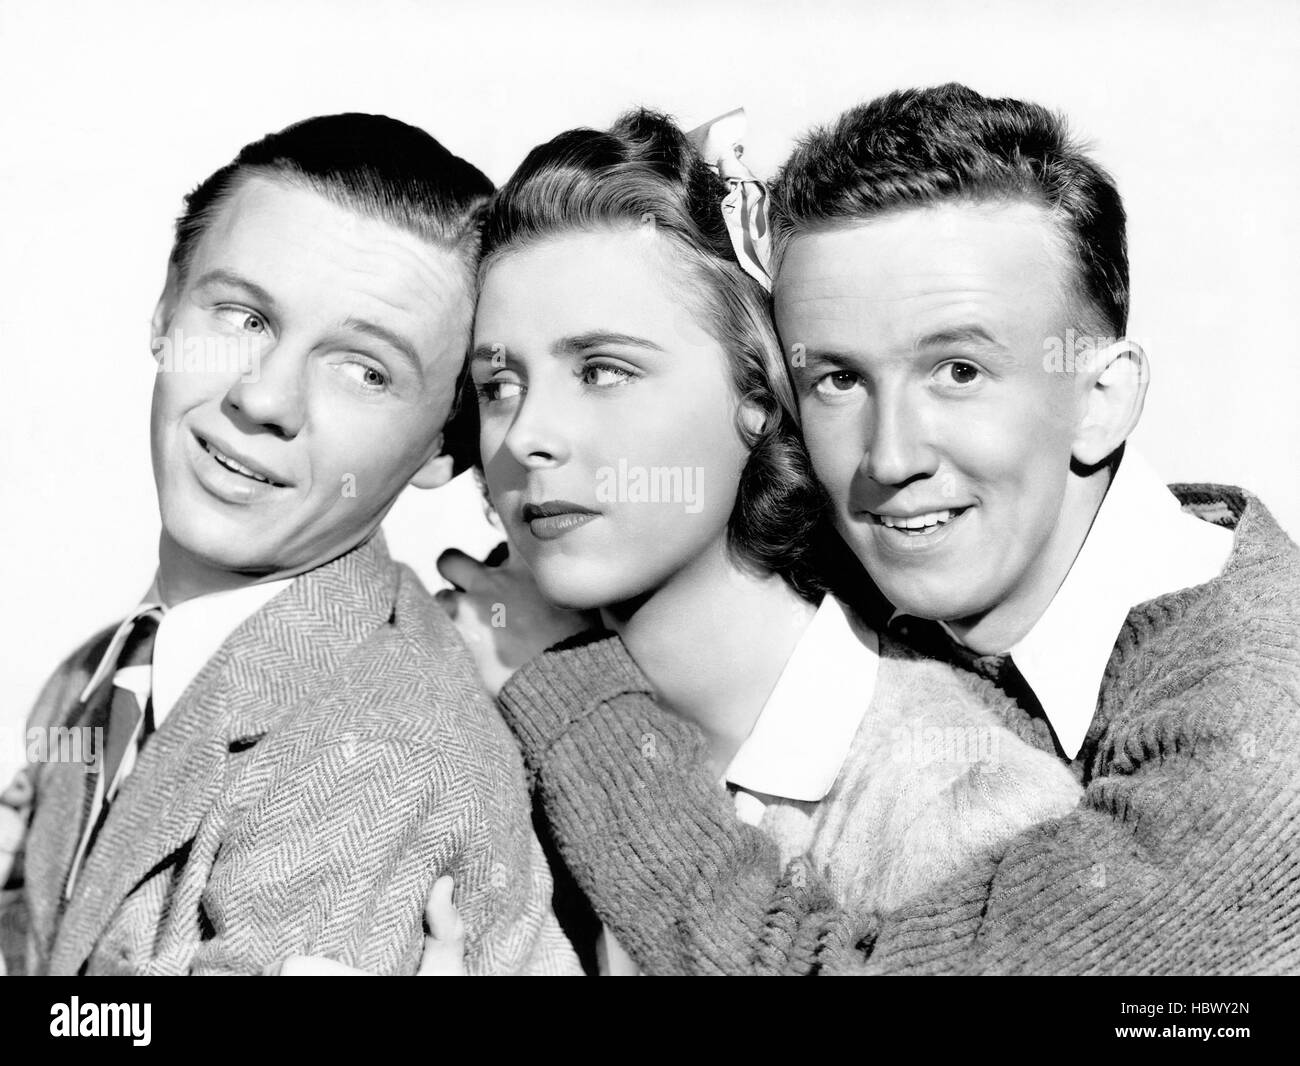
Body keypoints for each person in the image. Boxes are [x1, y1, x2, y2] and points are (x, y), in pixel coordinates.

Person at [469, 84, 1300, 974]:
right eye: (836, 380)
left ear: (1102, 399)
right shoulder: (927, 584)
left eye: (959, 369)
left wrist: (572, 696)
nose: (890, 456)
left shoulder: (1253, 741)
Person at [435, 108, 1084, 975]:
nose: (526, 438)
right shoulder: (469, 728)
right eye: (498, 384)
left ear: (760, 393)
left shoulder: (960, 800)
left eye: (603, 371)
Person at [0, 113, 577, 976]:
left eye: (364, 369)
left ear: (444, 449)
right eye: (242, 315)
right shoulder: (101, 673)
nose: (265, 398)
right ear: (165, 308)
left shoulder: (378, 757)